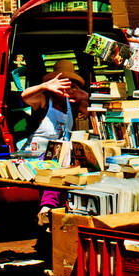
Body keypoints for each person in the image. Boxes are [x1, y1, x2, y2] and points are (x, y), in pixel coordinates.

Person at [21, 58, 88, 225]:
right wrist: (44, 86)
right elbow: (25, 97)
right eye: (62, 84)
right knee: (56, 170)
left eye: (70, 85)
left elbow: (85, 113)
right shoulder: (43, 100)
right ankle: (46, 209)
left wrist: (84, 98)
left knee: (69, 169)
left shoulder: (69, 103)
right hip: (36, 157)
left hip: (60, 157)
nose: (65, 89)